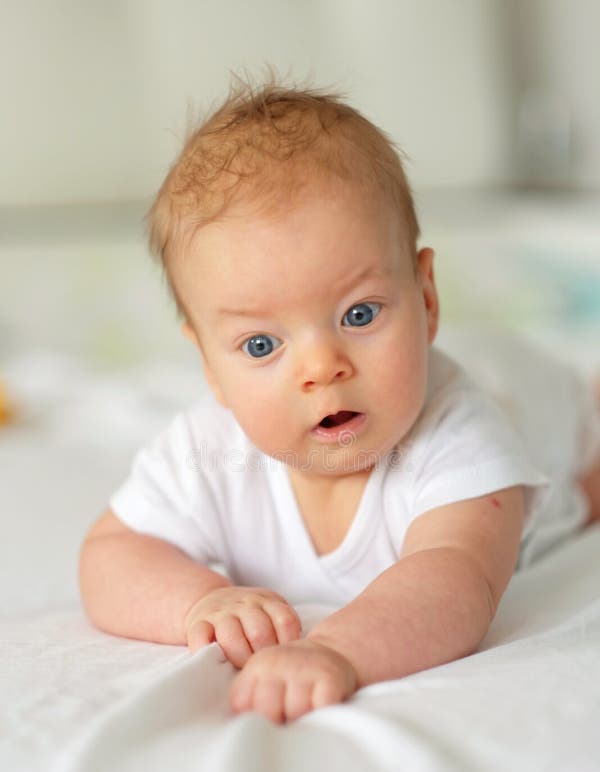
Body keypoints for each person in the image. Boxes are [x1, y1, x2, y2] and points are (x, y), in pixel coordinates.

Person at [78, 73, 600, 725]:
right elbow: (111, 554)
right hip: (490, 373)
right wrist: (197, 602)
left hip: (532, 402)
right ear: (209, 365)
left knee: (585, 475)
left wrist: (336, 650)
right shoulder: (208, 449)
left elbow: (457, 581)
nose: (323, 368)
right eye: (262, 346)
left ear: (426, 299)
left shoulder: (457, 432)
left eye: (359, 314)